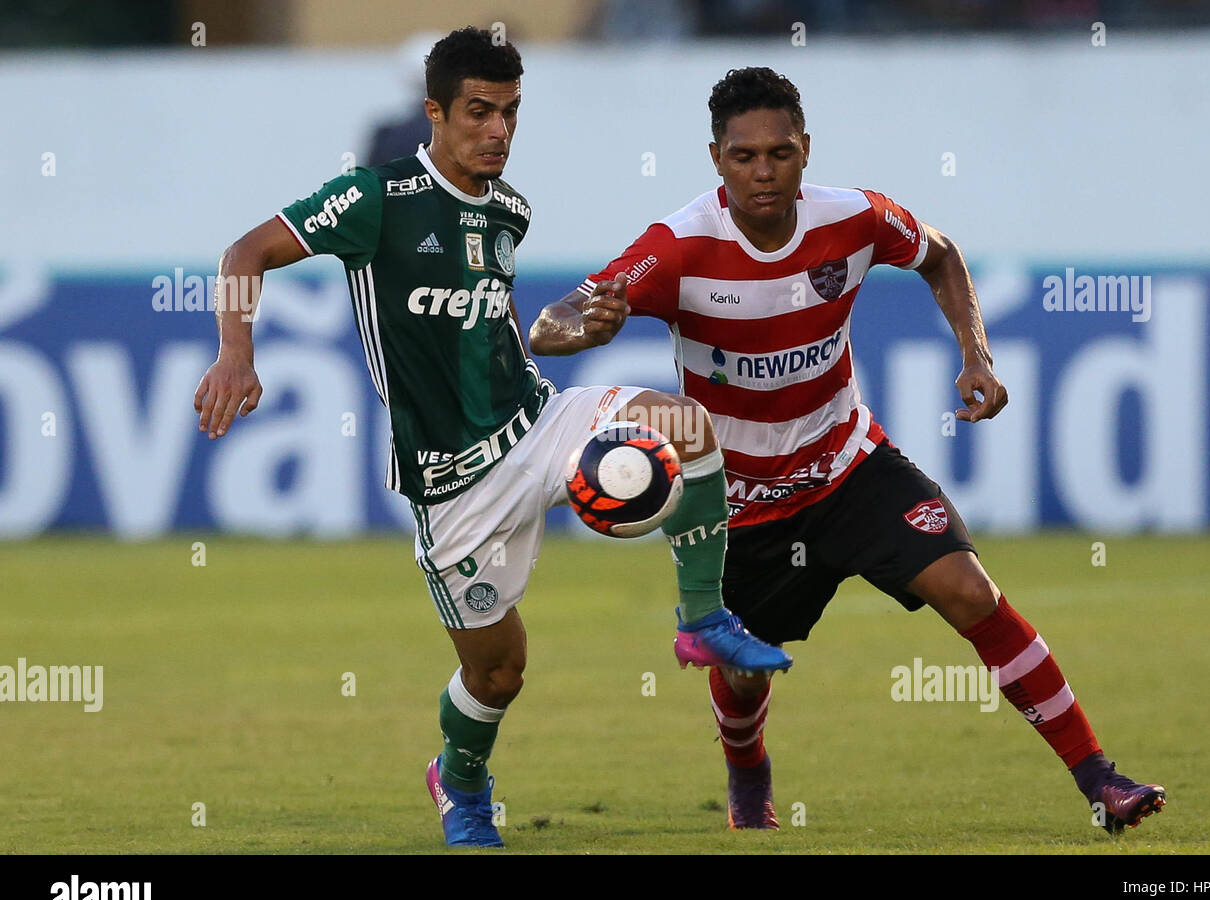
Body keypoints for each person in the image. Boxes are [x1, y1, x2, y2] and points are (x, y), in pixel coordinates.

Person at [191, 31, 792, 849]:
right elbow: (244, 251)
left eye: (511, 113)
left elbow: (497, 316)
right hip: (451, 487)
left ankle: (701, 616)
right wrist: (235, 352)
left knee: (682, 422)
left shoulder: (509, 210)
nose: (498, 130)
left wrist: (561, 343)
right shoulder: (374, 197)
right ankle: (460, 779)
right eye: (479, 112)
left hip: (536, 422)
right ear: (434, 112)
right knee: (497, 670)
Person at [532, 67, 1166, 835]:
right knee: (739, 674)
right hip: (741, 507)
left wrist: (977, 355)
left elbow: (940, 254)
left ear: (806, 150)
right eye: (743, 157)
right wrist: (577, 331)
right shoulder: (679, 247)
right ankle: (747, 770)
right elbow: (557, 318)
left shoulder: (857, 218)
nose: (763, 172)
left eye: (780, 152)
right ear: (715, 159)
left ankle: (1101, 779)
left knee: (972, 594)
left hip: (847, 467)